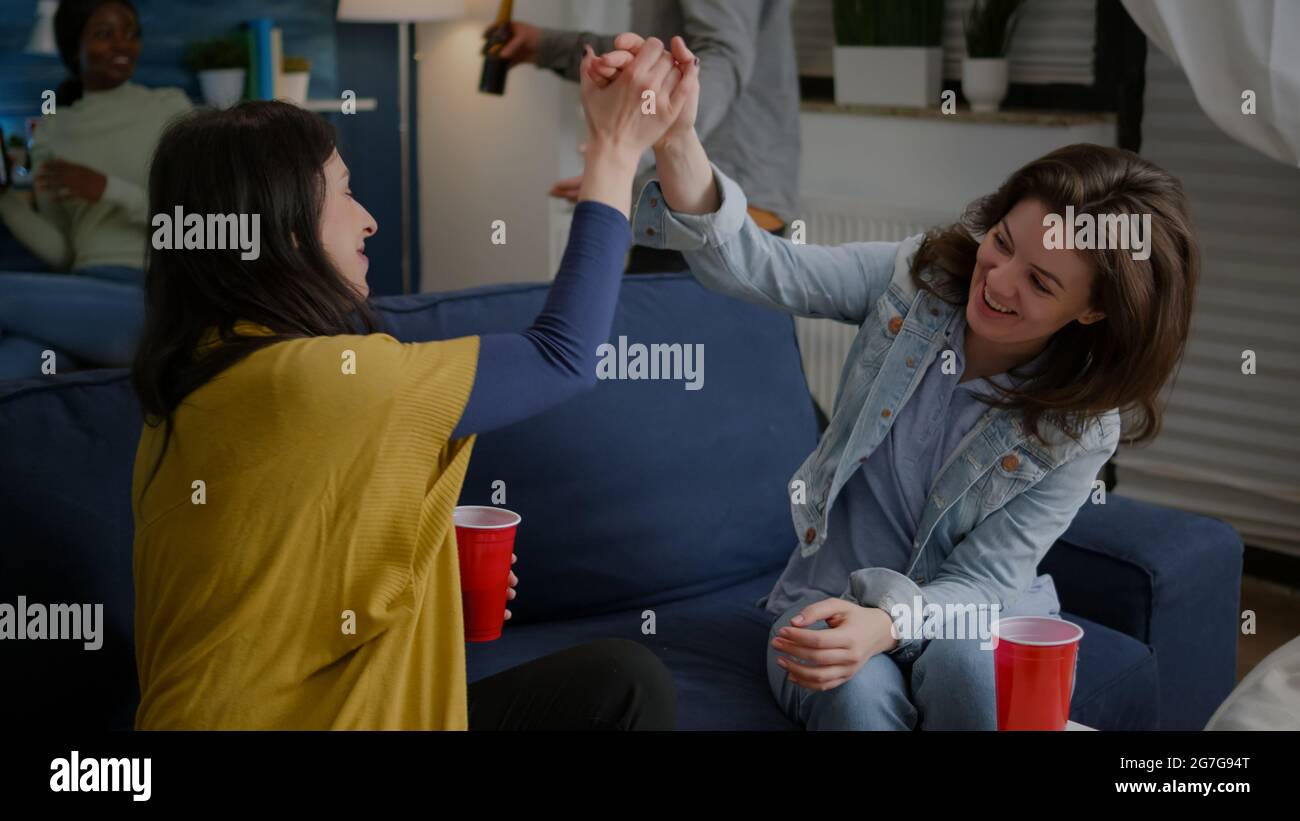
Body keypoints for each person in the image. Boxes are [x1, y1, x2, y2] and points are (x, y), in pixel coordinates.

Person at [600, 34, 1200, 730]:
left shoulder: (1080, 426)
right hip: (826, 597)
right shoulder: (918, 277)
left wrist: (888, 623)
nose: (997, 281)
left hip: (974, 614)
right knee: (855, 695)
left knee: (965, 666)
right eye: (1002, 242)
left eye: (1039, 281)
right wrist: (676, 135)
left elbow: (983, 583)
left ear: (1092, 310)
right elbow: (764, 267)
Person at [129, 38, 695, 730]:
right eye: (340, 190)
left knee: (619, 683)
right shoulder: (322, 381)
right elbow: (564, 354)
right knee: (630, 685)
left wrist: (427, 576)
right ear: (278, 225)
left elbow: (283, 573)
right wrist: (612, 149)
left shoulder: (193, 382)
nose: (367, 216)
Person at [488, 0, 800, 273]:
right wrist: (545, 45)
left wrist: (628, 153)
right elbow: (664, 57)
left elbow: (719, 60)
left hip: (719, 207)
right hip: (686, 209)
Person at [0, 0, 191, 379]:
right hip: (83, 296)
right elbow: (64, 252)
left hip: (154, 297)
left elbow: (195, 222)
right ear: (75, 47)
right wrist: (3, 199)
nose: (123, 44)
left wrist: (107, 189)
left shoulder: (171, 109)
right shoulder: (53, 131)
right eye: (105, 34)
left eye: (131, 33)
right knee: (11, 367)